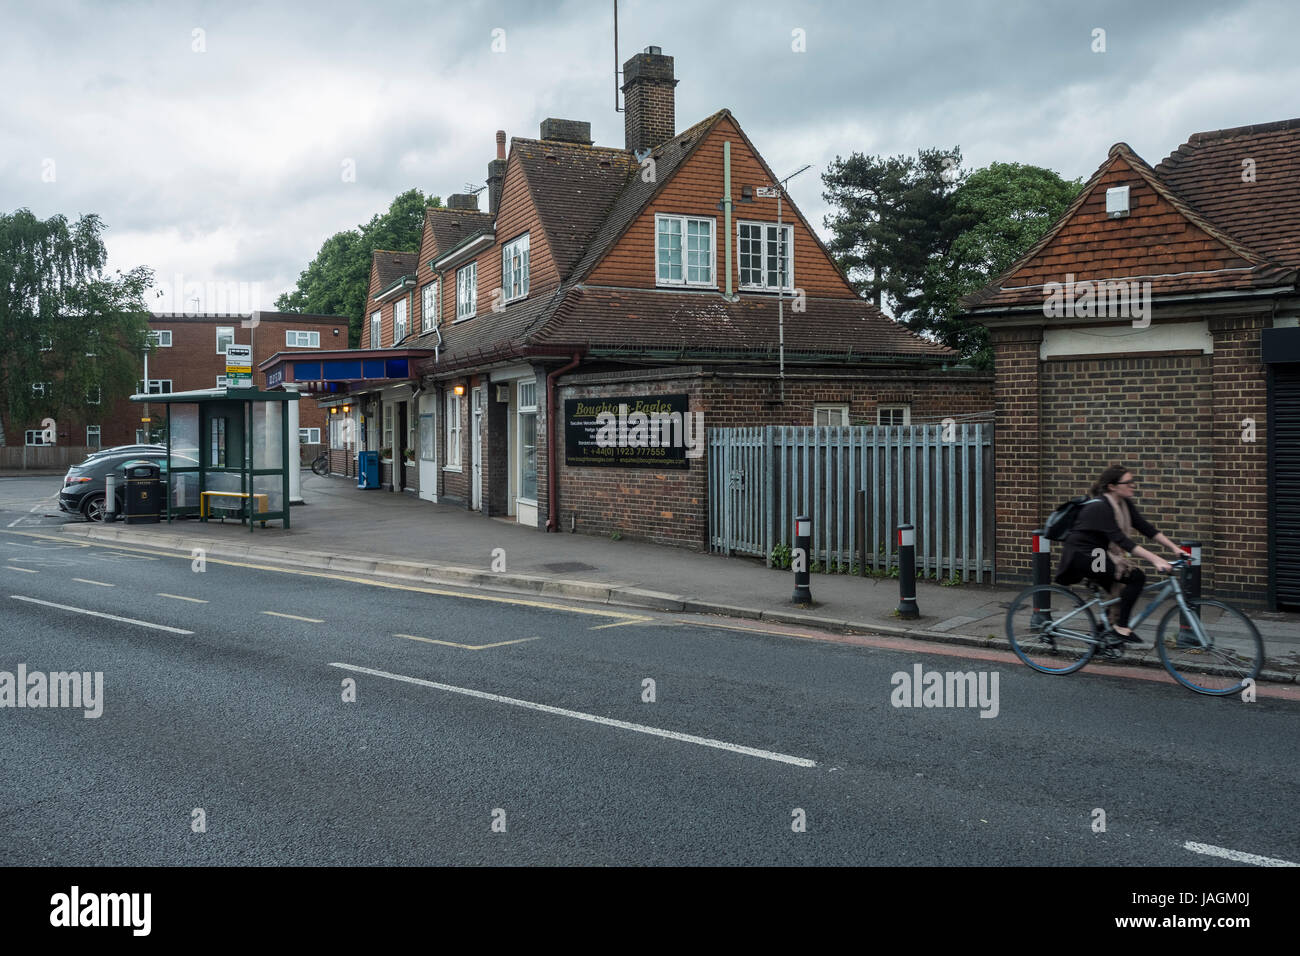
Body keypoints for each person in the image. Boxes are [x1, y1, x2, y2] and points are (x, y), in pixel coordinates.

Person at [1054, 465, 1183, 643]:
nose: (1133, 485)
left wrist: (1174, 548)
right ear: (1112, 487)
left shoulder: (1124, 503)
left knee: (1119, 591)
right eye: (1128, 482)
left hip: (1099, 553)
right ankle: (1121, 629)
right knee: (1135, 578)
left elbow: (1146, 528)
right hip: (1084, 556)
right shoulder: (1100, 507)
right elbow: (1122, 540)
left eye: (1133, 482)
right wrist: (1156, 560)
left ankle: (1100, 633)